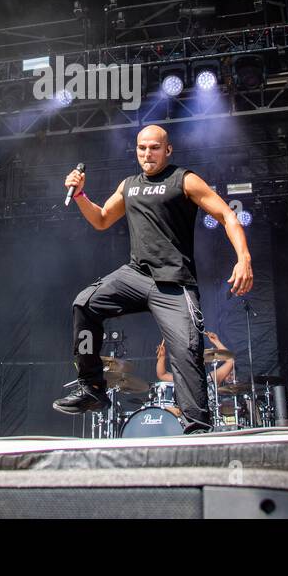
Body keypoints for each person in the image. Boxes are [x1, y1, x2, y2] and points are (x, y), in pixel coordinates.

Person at [54, 125, 253, 432]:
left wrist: (244, 258)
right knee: (85, 303)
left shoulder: (184, 179)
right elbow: (102, 219)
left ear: (168, 150)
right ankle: (92, 388)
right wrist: (80, 194)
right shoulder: (129, 185)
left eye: (154, 148)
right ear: (136, 150)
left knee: (187, 350)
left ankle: (197, 426)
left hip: (174, 283)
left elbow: (227, 215)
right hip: (136, 275)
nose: (147, 153)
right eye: (142, 148)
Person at [155, 329, 235, 419]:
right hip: (187, 420)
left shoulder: (211, 377)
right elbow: (162, 375)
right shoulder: (183, 378)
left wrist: (216, 341)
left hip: (208, 419)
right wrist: (161, 358)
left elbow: (230, 360)